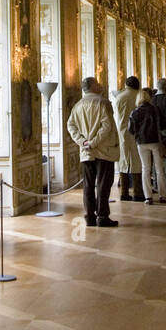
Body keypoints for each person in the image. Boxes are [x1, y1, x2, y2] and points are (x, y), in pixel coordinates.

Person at [66, 77, 120, 227]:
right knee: (103, 184)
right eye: (97, 83)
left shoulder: (78, 105)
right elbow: (107, 126)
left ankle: (89, 216)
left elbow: (70, 126)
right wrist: (93, 142)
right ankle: (102, 216)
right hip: (104, 151)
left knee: (88, 185)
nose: (100, 84)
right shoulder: (103, 103)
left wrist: (82, 142)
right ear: (92, 86)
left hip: (86, 152)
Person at [130, 88, 166, 204]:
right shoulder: (154, 109)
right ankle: (162, 195)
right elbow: (162, 125)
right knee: (159, 169)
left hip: (141, 142)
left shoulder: (135, 112)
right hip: (155, 141)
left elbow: (131, 129)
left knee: (145, 169)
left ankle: (148, 197)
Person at [113, 76, 143, 202]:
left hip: (122, 131)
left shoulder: (119, 97)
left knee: (123, 160)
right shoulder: (139, 96)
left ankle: (124, 192)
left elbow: (117, 115)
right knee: (137, 161)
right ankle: (138, 192)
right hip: (137, 132)